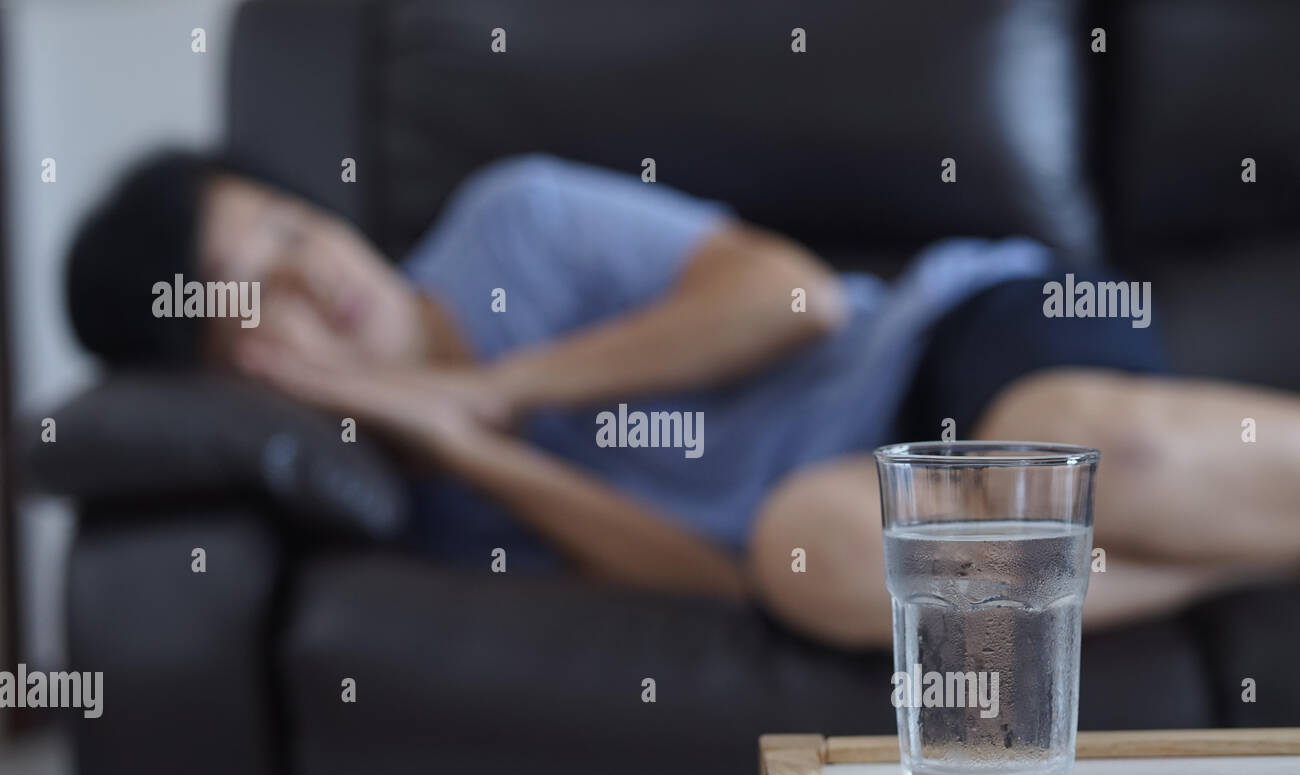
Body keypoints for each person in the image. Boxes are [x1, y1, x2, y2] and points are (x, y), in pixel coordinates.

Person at [65, 150, 1300, 650]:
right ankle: (1244, 558)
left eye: (289, 225)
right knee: (808, 551)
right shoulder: (405, 497)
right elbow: (723, 584)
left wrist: (487, 391)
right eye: (244, 290)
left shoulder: (515, 219)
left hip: (942, 348)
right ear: (232, 373)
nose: (303, 275)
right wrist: (475, 450)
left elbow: (795, 302)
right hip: (847, 521)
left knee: (1093, 450)